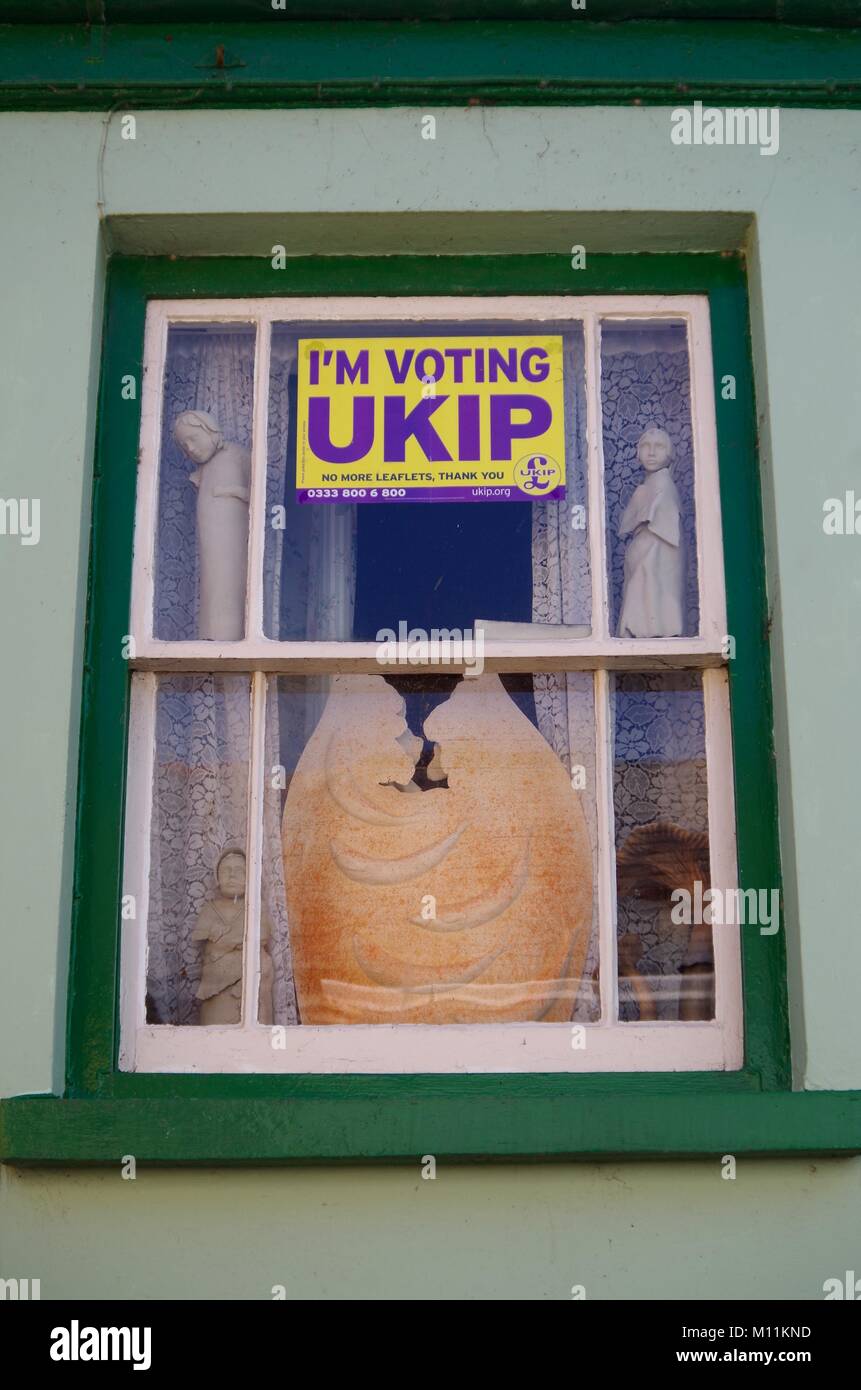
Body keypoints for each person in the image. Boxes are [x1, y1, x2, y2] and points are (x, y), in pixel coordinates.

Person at [172, 410, 251, 641]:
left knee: (230, 583)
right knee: (212, 586)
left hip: (232, 534)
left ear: (210, 430)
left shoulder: (238, 456)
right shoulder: (203, 469)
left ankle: (229, 635)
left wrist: (231, 492)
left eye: (194, 440)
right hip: (211, 535)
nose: (192, 449)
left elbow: (258, 492)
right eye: (186, 447)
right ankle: (211, 636)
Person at [193, 848, 274, 1025]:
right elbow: (200, 933)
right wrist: (238, 940)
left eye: (239, 871)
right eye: (225, 871)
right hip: (216, 986)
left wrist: (224, 940)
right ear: (217, 878)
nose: (231, 876)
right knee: (216, 1029)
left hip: (248, 981)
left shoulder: (256, 907)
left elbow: (261, 936)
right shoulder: (211, 908)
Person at [617, 425, 684, 638]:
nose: (652, 452)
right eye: (646, 446)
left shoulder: (663, 484)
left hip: (656, 550)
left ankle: (648, 630)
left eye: (659, 447)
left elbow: (664, 525)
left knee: (649, 588)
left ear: (670, 453)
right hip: (647, 548)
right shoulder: (650, 484)